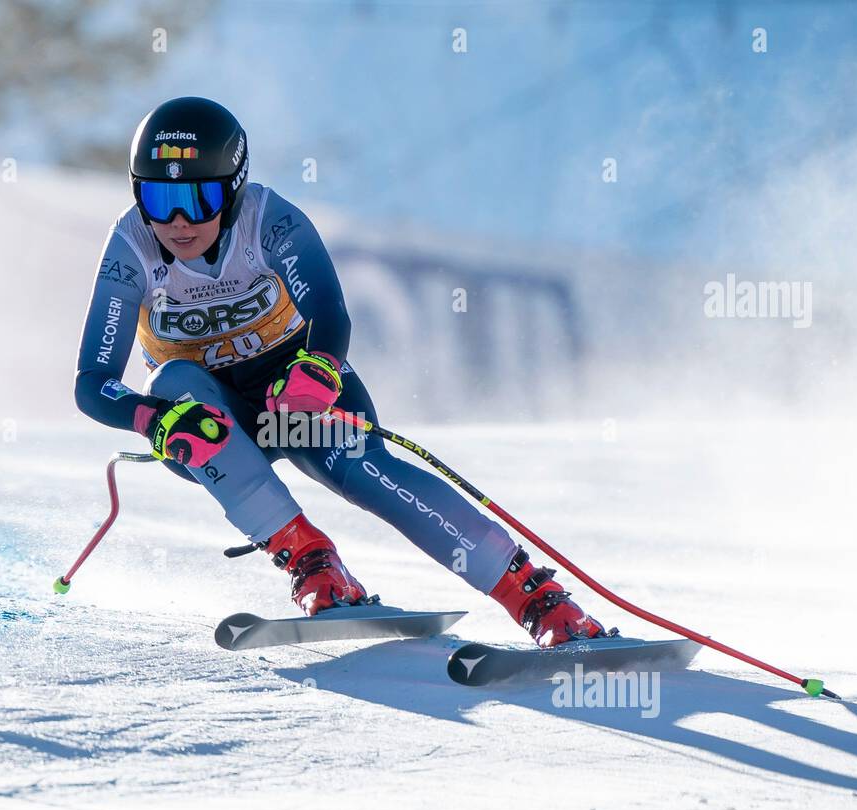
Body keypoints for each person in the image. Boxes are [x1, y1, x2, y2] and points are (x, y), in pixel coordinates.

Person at [74, 96, 605, 645]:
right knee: (174, 388)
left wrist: (320, 370)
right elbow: (94, 383)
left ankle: (536, 598)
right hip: (213, 418)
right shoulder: (130, 245)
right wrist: (152, 420)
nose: (178, 222)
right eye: (159, 200)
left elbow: (329, 312)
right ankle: (311, 559)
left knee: (365, 472)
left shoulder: (269, 220)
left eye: (199, 197)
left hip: (289, 398)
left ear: (233, 188)